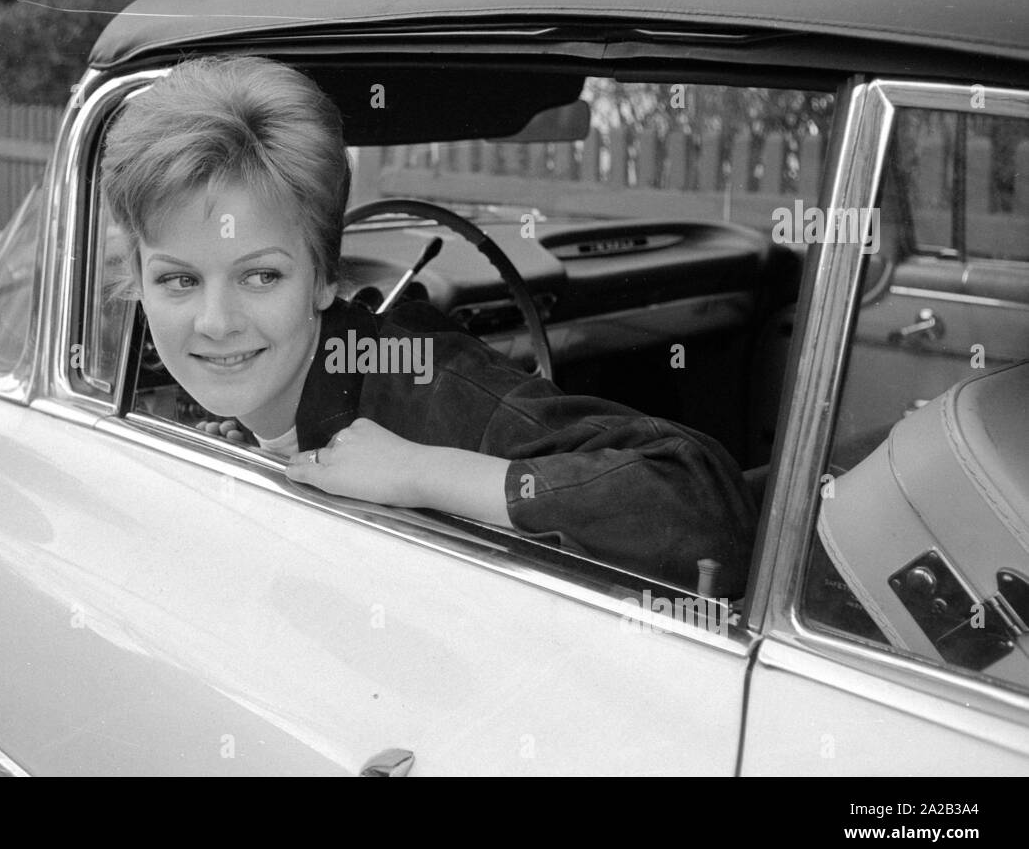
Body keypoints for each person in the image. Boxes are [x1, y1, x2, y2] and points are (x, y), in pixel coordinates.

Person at [101, 55, 756, 596]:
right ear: (141, 281)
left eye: (261, 275)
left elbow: (702, 504)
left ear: (325, 276)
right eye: (180, 279)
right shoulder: (208, 401)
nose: (215, 323)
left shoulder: (419, 377)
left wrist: (422, 471)